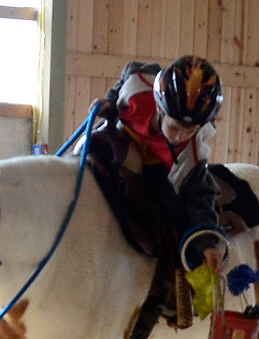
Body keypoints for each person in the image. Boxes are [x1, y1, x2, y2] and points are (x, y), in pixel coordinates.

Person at [97, 54, 226, 274]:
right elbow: (132, 70)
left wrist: (207, 243)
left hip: (158, 165)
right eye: (174, 127)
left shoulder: (191, 152)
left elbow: (200, 196)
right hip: (123, 139)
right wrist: (110, 100)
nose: (180, 137)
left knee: (173, 210)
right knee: (88, 153)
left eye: (191, 130)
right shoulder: (137, 95)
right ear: (159, 109)